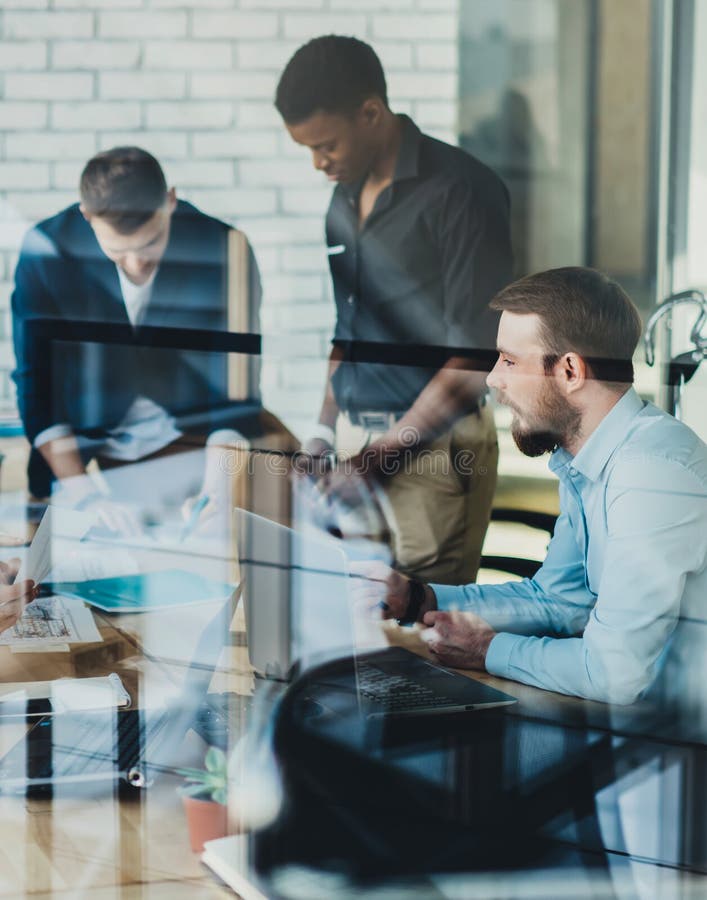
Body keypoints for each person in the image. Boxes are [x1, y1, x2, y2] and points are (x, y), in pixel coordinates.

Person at [364, 267, 707, 712]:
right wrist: (418, 598)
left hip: (677, 749)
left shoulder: (650, 474)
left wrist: (489, 650)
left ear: (569, 371)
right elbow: (558, 601)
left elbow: (614, 673)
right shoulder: (590, 459)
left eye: (509, 361)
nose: (492, 379)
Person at [275, 36, 512, 584]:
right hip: (359, 449)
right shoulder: (342, 197)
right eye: (307, 149)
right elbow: (348, 329)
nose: (317, 163)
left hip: (434, 453)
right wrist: (321, 432)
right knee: (354, 637)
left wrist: (382, 457)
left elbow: (476, 358)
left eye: (326, 145)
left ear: (371, 113)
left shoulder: (463, 190)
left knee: (426, 643)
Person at [11, 147, 279, 529]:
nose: (137, 264)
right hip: (77, 455)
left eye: (151, 244)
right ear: (87, 216)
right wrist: (86, 496)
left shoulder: (224, 249)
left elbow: (235, 389)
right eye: (118, 253)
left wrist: (217, 489)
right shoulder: (46, 252)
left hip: (188, 443)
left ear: (169, 201)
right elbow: (35, 383)